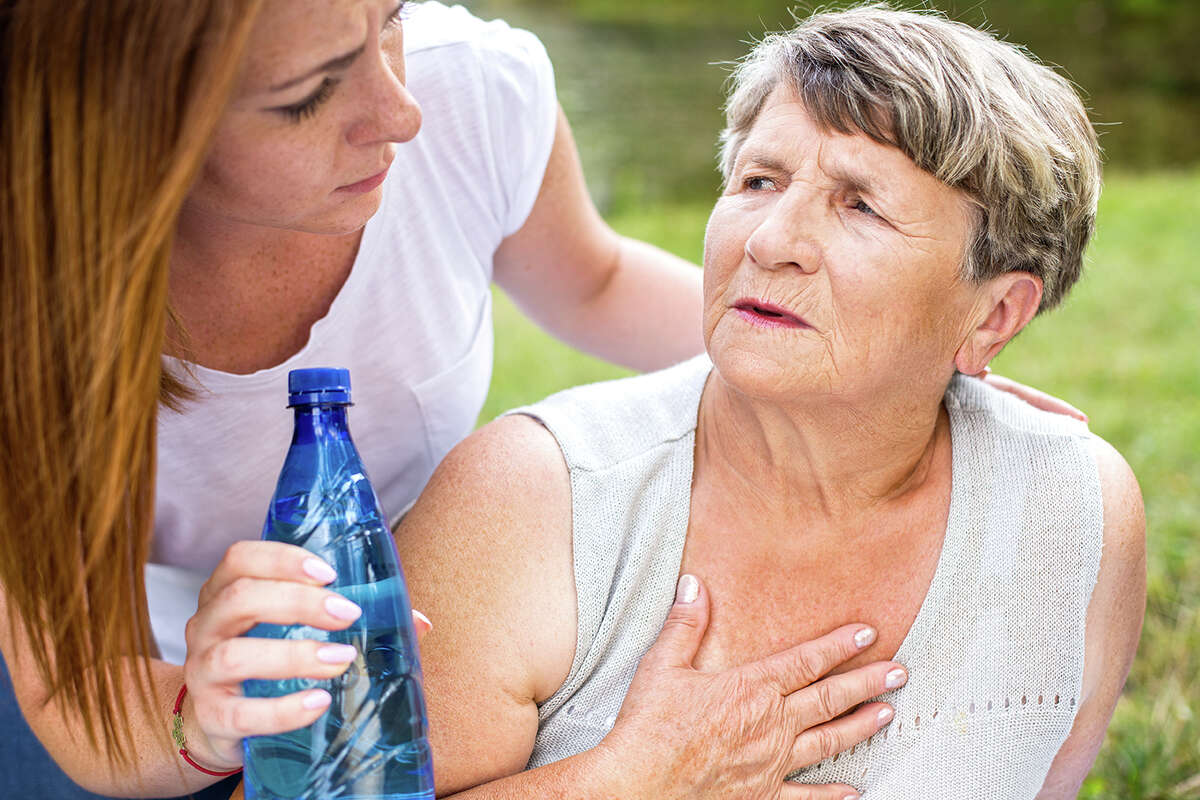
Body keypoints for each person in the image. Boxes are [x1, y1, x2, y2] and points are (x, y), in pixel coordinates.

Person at [0, 1, 1085, 798]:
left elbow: (600, 278)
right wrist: (201, 715)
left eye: (387, 22)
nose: (401, 110)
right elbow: (76, 707)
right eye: (307, 95)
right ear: (139, 135)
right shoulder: (27, 289)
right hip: (131, 661)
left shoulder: (467, 92)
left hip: (408, 593)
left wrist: (884, 354)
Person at [379, 6, 1146, 798]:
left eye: (860, 204)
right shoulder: (528, 498)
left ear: (992, 316)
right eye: (758, 180)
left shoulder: (1076, 511)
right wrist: (630, 782)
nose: (768, 239)